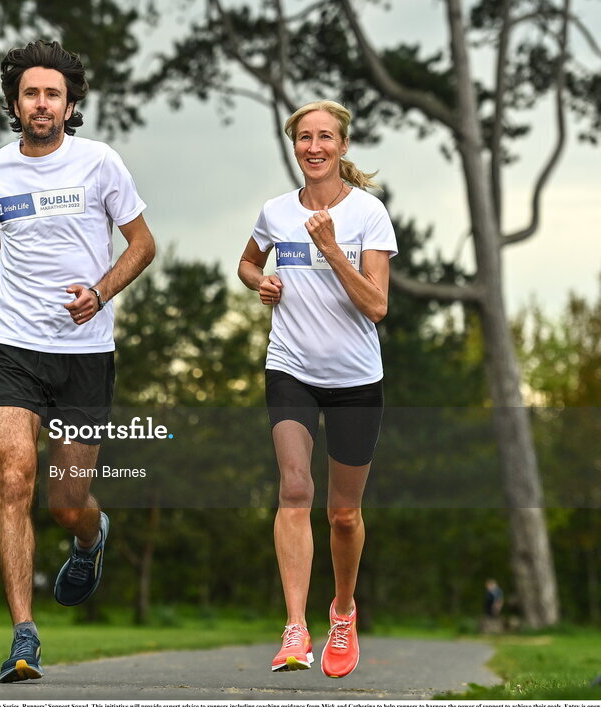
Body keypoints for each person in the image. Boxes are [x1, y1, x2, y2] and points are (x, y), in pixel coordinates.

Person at [0, 40, 155, 683]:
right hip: (13, 347)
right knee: (13, 478)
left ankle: (90, 536)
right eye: (32, 93)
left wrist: (99, 293)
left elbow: (143, 245)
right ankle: (23, 635)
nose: (42, 104)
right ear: (16, 101)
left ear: (71, 104)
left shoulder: (100, 163)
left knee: (66, 501)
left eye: (54, 94)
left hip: (84, 356)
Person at [237, 100, 396, 679]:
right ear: (295, 146)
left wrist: (331, 249)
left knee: (344, 514)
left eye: (325, 137)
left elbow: (377, 305)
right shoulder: (275, 212)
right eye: (304, 137)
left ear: (342, 147)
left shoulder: (369, 215)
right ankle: (296, 628)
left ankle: (343, 612)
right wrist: (264, 281)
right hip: (291, 368)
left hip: (356, 379)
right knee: (295, 487)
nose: (314, 146)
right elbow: (247, 265)